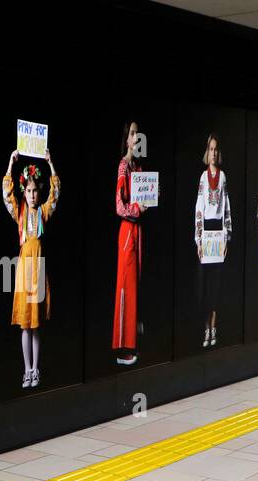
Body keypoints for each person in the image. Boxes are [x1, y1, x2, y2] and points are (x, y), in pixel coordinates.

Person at [2, 150, 59, 388]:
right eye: (29, 191)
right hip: (25, 272)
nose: (33, 195)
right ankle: (27, 369)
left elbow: (55, 195)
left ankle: (36, 369)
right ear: (24, 193)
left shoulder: (43, 213)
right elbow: (7, 194)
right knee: (25, 325)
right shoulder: (21, 213)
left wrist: (50, 164)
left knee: (36, 326)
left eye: (36, 191)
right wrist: (10, 164)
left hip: (38, 270)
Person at [112, 121, 146, 365]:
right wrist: (137, 208)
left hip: (138, 232)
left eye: (138, 133)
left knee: (136, 284)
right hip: (127, 231)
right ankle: (123, 347)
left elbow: (145, 196)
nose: (136, 137)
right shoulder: (123, 167)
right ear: (126, 139)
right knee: (126, 287)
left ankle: (133, 336)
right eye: (132, 133)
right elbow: (119, 206)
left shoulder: (139, 167)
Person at [194, 134, 231, 347]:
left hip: (218, 232)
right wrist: (199, 239)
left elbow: (226, 207)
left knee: (216, 284)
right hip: (206, 231)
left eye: (216, 149)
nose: (214, 153)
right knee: (205, 284)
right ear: (207, 152)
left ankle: (214, 327)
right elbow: (199, 208)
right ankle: (205, 327)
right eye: (211, 149)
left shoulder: (223, 176)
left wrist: (226, 237)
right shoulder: (202, 177)